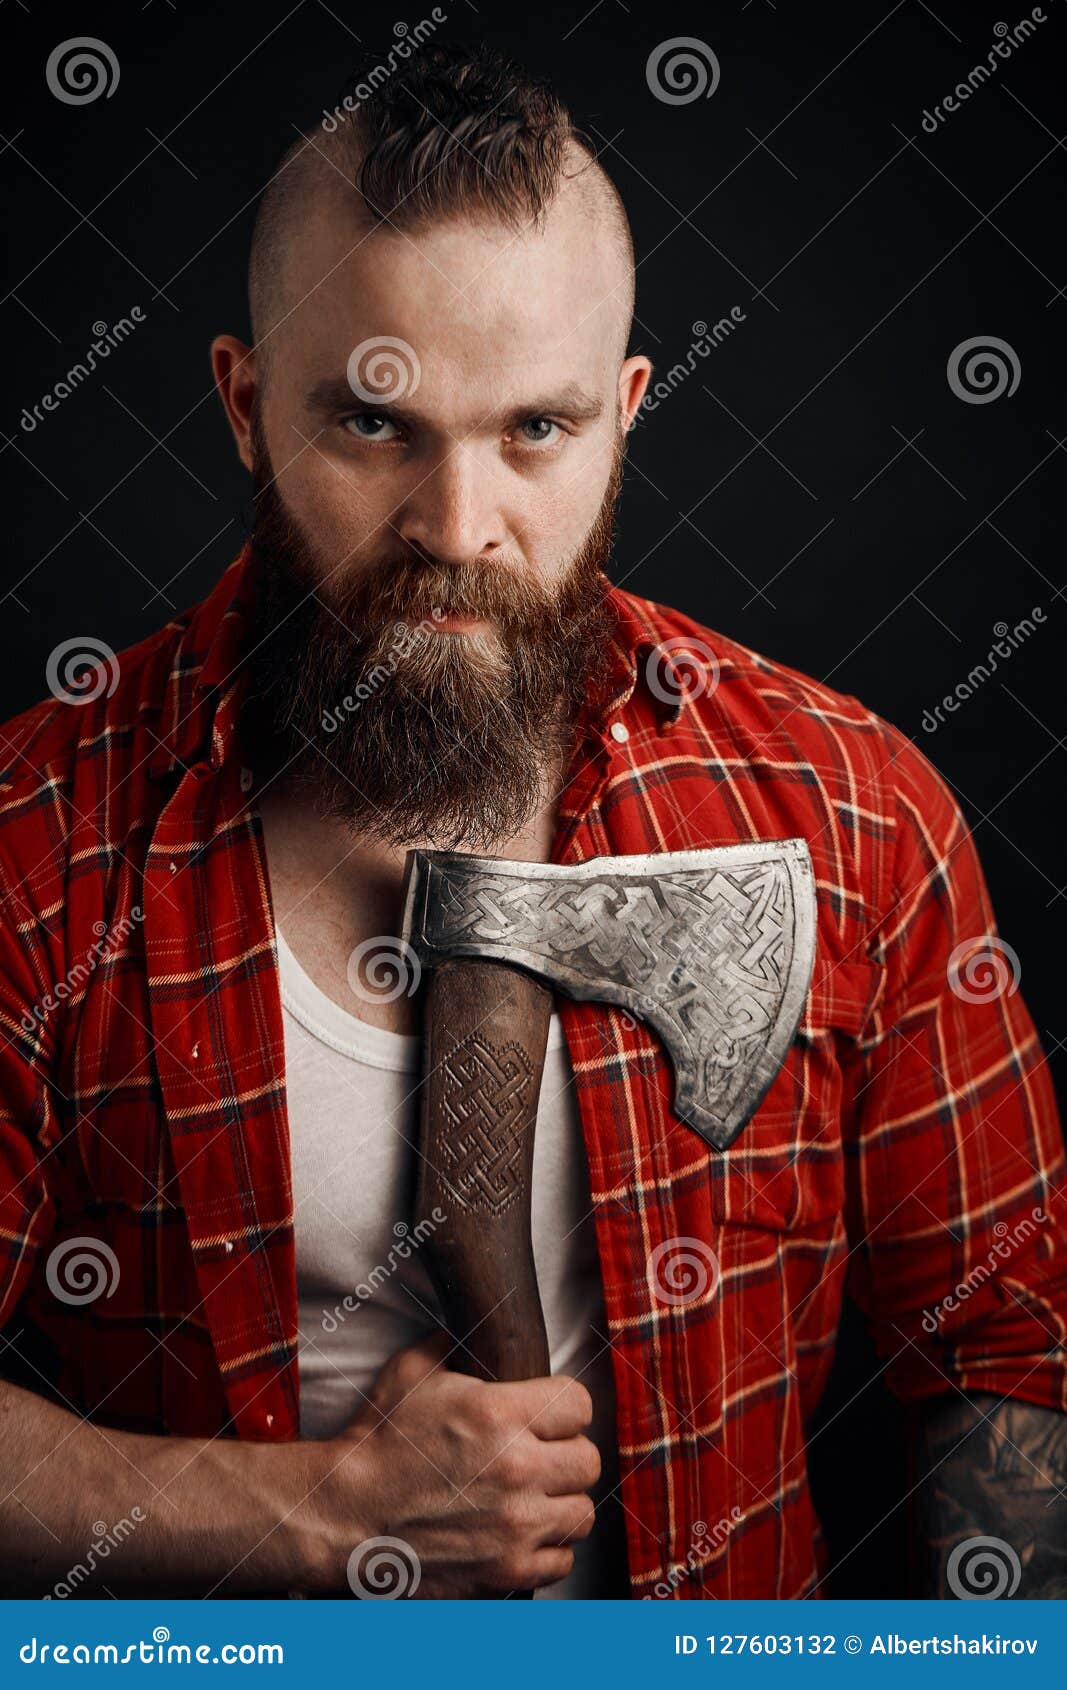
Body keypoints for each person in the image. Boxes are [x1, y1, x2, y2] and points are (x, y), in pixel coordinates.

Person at [1, 40, 1064, 1602]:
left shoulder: (849, 812)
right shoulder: (40, 841)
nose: (458, 524)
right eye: (375, 425)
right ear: (243, 407)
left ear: (627, 412)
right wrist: (313, 1510)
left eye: (536, 431)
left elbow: (1011, 1346)